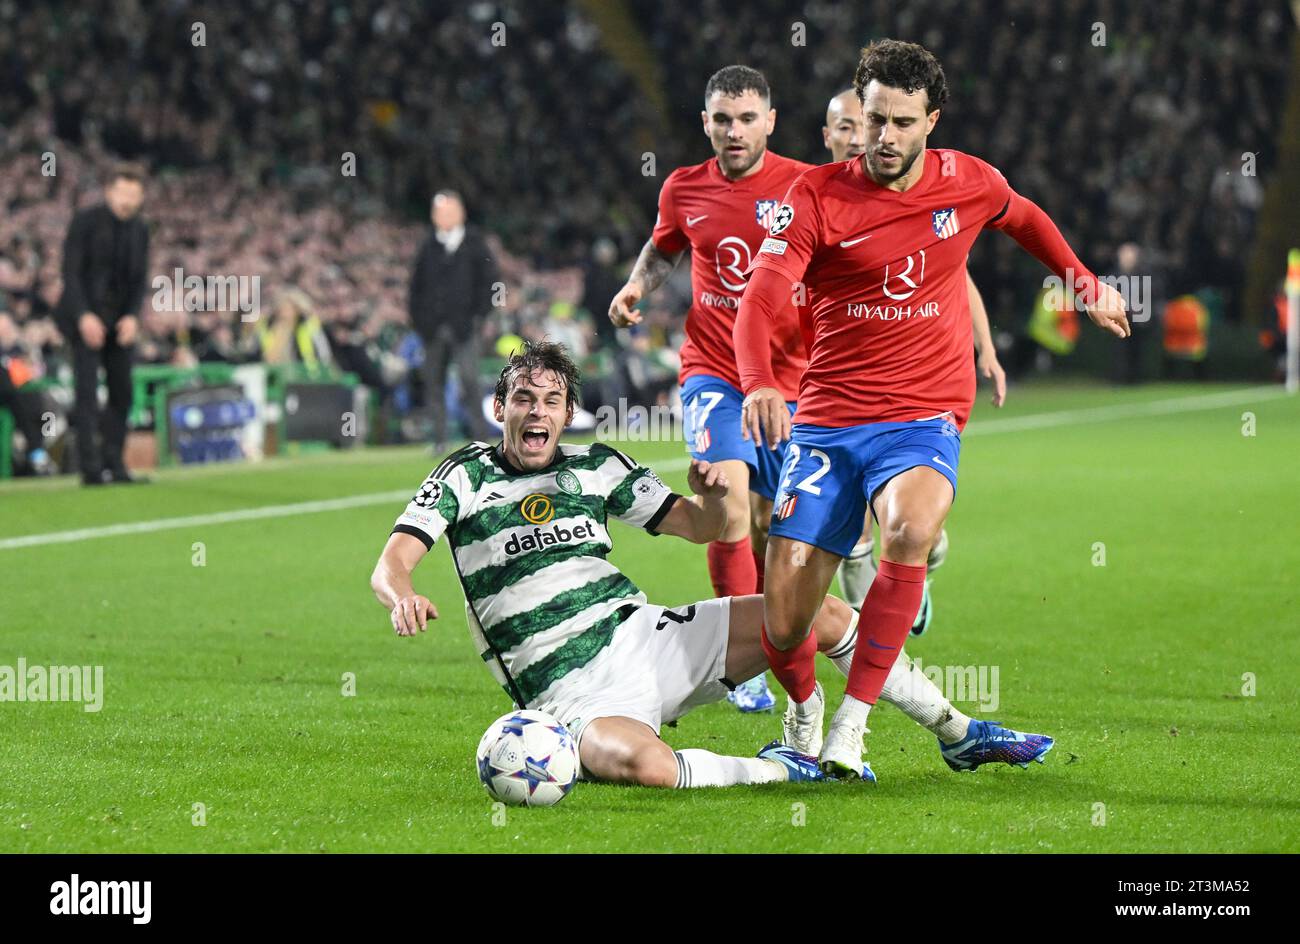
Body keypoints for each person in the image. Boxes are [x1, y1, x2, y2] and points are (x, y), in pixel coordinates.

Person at [369, 341, 1052, 787]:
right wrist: (401, 593)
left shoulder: (599, 466)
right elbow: (391, 563)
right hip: (568, 692)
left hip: (647, 634)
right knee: (648, 767)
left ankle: (957, 733)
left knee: (815, 613)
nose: (537, 410)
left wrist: (712, 498)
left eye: (551, 400)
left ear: (568, 412)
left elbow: (704, 530)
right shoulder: (463, 475)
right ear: (500, 408)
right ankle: (785, 771)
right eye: (523, 398)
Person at [735, 40, 1125, 778]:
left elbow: (1026, 218)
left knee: (910, 530)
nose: (885, 138)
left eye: (902, 124)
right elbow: (761, 293)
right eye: (874, 119)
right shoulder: (815, 197)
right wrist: (758, 379)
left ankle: (852, 725)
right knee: (785, 622)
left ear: (931, 121)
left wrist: (1082, 280)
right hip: (826, 418)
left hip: (924, 410)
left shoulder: (967, 181)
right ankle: (805, 709)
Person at [608, 66, 816, 713]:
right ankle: (737, 664)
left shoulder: (804, 186)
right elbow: (664, 245)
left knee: (777, 527)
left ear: (770, 122)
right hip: (713, 372)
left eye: (747, 118)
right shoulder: (683, 187)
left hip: (791, 378)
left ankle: (799, 619)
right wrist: (637, 286)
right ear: (705, 122)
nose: (734, 130)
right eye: (722, 119)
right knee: (726, 505)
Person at [823, 86, 1008, 635]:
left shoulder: (917, 195)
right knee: (849, 529)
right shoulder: (811, 198)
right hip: (827, 385)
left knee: (898, 523)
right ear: (827, 135)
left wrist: (986, 348)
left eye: (869, 125)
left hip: (904, 387)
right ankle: (870, 636)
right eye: (847, 128)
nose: (861, 137)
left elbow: (956, 274)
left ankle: (912, 571)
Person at [54, 162, 151, 485]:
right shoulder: (85, 222)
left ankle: (115, 462)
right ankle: (90, 468)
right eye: (123, 192)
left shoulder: (141, 230)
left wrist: (133, 317)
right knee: (86, 393)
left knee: (122, 392)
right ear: (109, 191)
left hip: (121, 323)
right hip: (85, 320)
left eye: (134, 194)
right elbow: (71, 273)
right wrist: (84, 316)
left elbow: (140, 281)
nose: (128, 200)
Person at [409, 190, 498, 453]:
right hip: (433, 329)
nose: (443, 217)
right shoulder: (427, 246)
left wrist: (478, 316)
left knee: (470, 381)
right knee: (433, 382)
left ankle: (481, 439)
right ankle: (439, 440)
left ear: (461, 214)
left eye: (448, 211)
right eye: (439, 212)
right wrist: (421, 322)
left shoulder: (474, 243)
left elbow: (490, 282)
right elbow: (416, 288)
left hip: (464, 327)